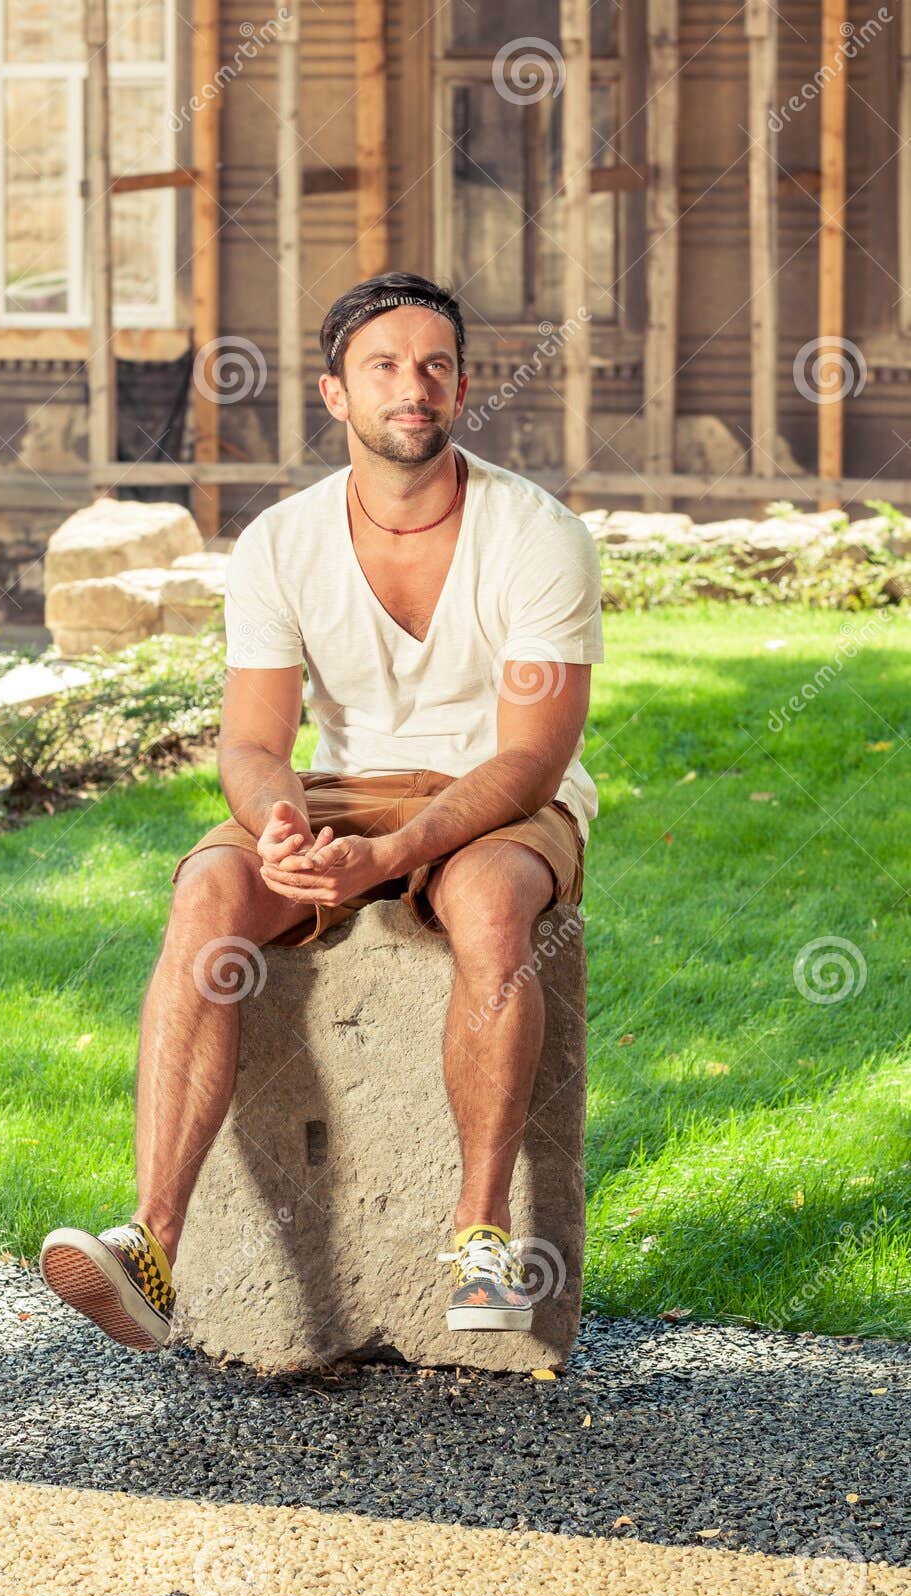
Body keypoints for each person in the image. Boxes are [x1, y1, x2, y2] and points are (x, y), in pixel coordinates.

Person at [39, 272, 604, 1351]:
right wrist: (284, 820)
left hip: (495, 790)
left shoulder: (537, 535)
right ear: (333, 394)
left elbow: (532, 758)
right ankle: (151, 1245)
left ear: (462, 387)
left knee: (489, 904)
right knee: (210, 887)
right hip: (345, 784)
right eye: (384, 366)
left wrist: (394, 851)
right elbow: (252, 743)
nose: (413, 387)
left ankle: (480, 1239)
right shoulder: (279, 542)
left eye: (435, 365)